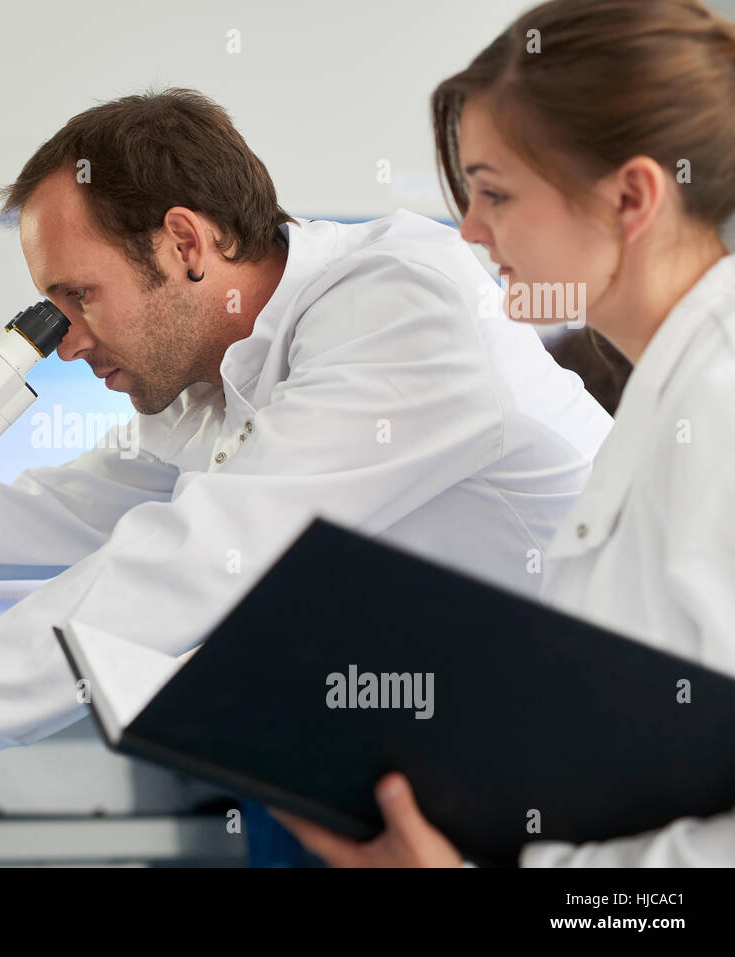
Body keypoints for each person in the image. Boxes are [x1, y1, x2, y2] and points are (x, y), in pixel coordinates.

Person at [0, 92, 611, 829]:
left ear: (185, 243)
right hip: (421, 755)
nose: (65, 340)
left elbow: (204, 550)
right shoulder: (220, 373)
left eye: (80, 296)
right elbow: (68, 511)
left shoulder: (399, 301)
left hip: (591, 770)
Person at [272, 0, 735, 867]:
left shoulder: (719, 402)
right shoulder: (662, 392)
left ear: (633, 195)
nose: (473, 230)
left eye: (495, 191)